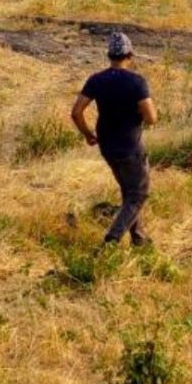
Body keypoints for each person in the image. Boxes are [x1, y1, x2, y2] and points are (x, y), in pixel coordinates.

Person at [71, 31, 159, 247]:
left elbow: (76, 112)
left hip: (107, 145)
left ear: (109, 55)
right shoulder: (136, 82)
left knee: (128, 191)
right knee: (139, 194)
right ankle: (113, 238)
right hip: (130, 146)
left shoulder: (97, 80)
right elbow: (152, 118)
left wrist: (88, 134)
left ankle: (139, 238)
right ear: (130, 54)